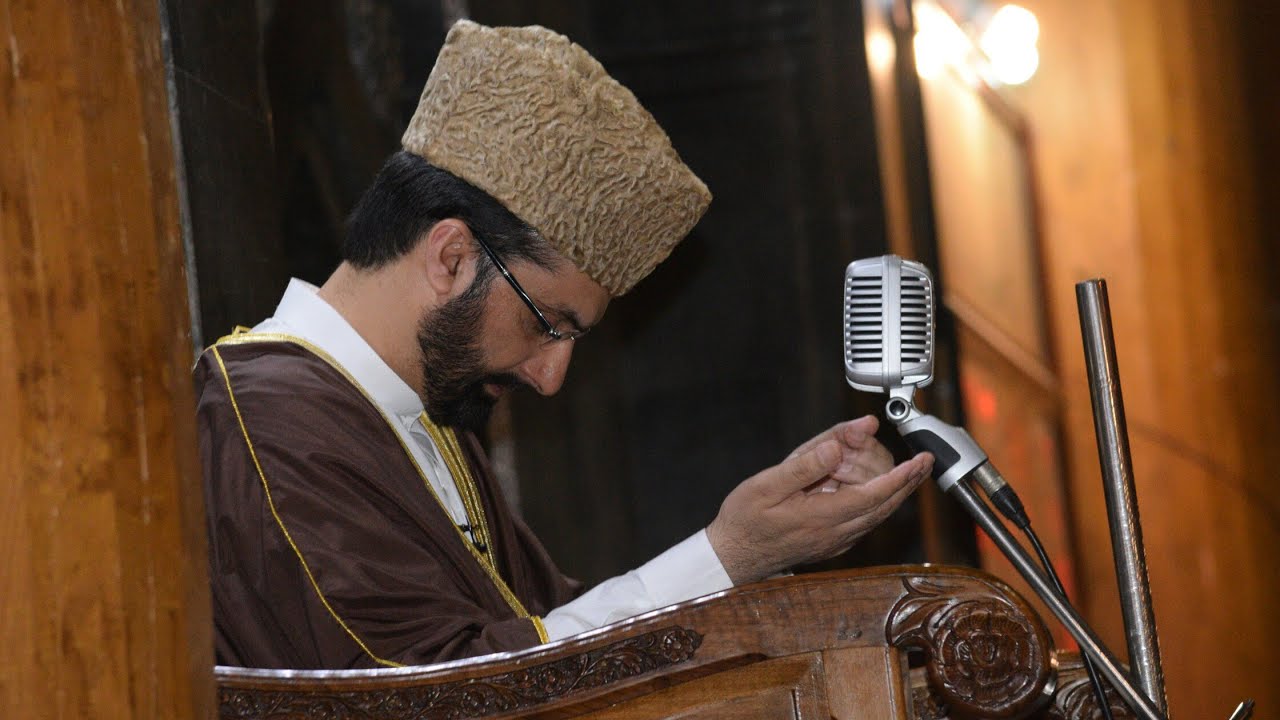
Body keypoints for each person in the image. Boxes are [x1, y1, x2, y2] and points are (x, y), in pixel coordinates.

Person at [195, 19, 933, 670]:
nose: (550, 377)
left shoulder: (418, 426)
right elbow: (442, 694)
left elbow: (548, 643)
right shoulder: (268, 420)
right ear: (450, 257)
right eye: (547, 324)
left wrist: (755, 545)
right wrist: (727, 553)